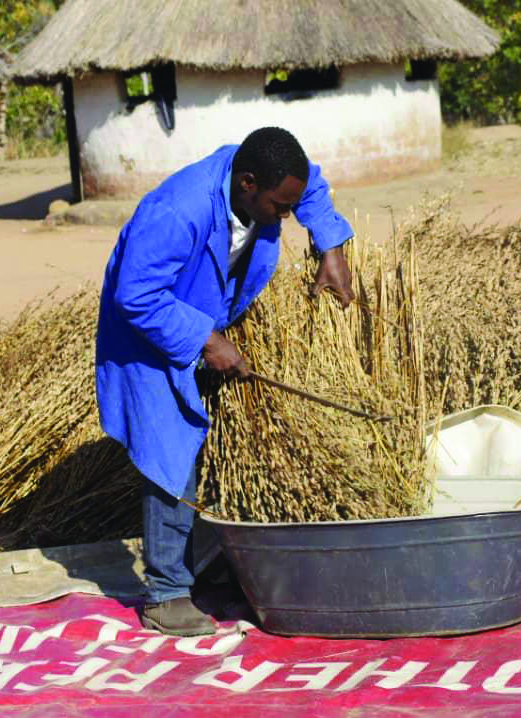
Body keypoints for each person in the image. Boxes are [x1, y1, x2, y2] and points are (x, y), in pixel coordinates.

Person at [95, 127, 355, 636]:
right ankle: (166, 595)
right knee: (170, 450)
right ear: (247, 184)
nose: (285, 216)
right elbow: (137, 297)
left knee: (209, 435)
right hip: (148, 330)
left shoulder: (268, 178)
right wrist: (207, 340)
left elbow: (313, 187)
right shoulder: (176, 212)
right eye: (280, 208)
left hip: (208, 305)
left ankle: (210, 560)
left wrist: (330, 246)